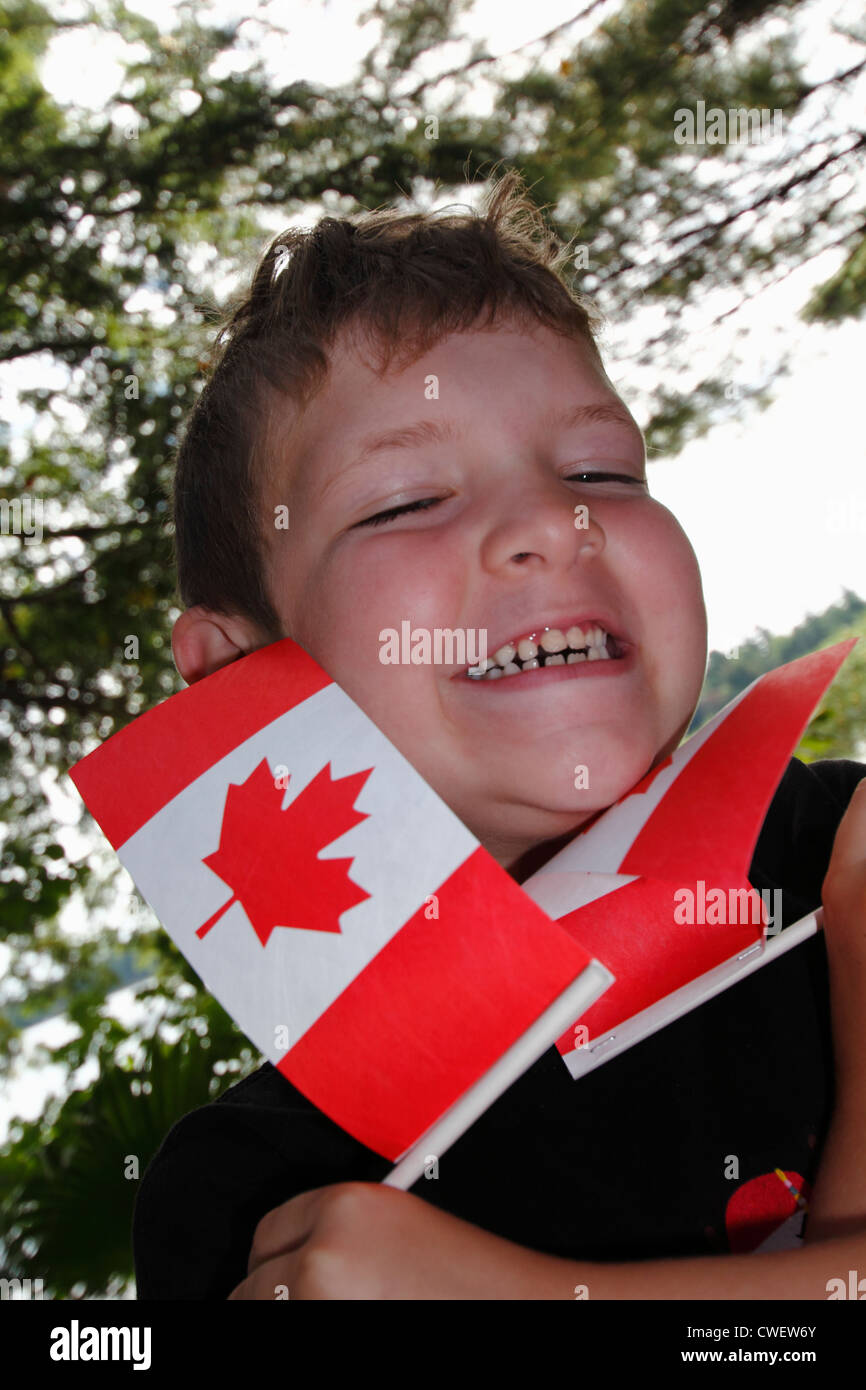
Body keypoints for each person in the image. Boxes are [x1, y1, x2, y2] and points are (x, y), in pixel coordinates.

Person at [134, 170, 866, 1299]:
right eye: (403, 502)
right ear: (242, 676)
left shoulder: (839, 857)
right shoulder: (253, 1195)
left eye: (597, 472)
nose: (548, 522)